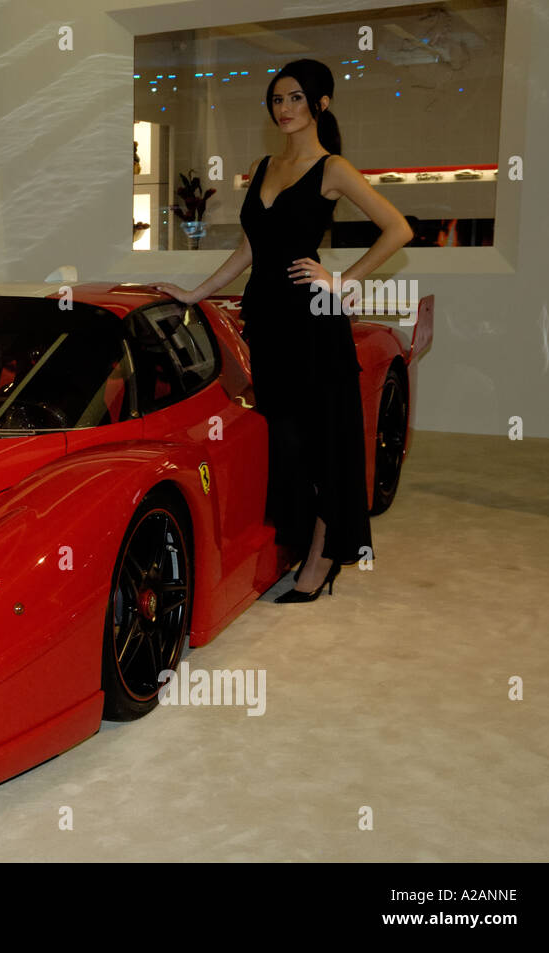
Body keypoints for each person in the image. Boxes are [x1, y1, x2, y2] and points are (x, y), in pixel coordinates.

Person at [152, 58, 414, 603]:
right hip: (267, 321)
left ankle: (322, 549)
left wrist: (341, 280)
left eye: (295, 98)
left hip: (314, 322)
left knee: (319, 442)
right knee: (283, 443)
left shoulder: (332, 167)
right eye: (277, 100)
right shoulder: (264, 164)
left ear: (320, 105)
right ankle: (302, 535)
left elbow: (398, 228)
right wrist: (197, 293)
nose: (284, 109)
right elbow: (251, 247)